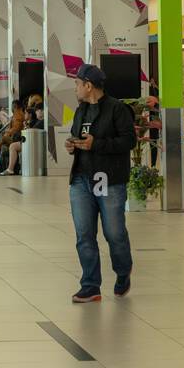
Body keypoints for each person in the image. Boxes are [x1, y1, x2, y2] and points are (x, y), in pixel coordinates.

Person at [65, 64, 135, 303]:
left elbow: (128, 142)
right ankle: (90, 284)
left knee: (114, 233)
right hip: (81, 179)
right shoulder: (80, 111)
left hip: (108, 179)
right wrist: (72, 145)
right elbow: (78, 135)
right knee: (84, 234)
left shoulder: (117, 109)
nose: (75, 88)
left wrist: (98, 144)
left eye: (77, 83)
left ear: (88, 85)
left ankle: (123, 271)